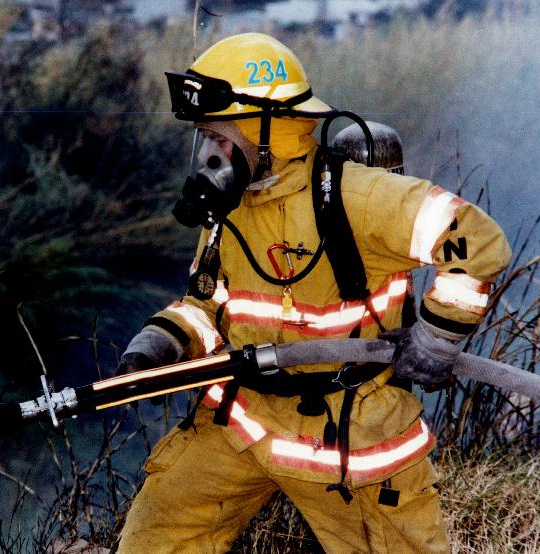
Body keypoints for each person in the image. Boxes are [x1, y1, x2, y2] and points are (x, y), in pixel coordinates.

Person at [116, 32, 511, 553]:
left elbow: (475, 239)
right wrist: (160, 342)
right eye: (203, 139)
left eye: (219, 136)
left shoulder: (357, 197)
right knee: (156, 536)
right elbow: (209, 302)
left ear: (268, 130)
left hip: (351, 435)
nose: (209, 155)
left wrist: (437, 337)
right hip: (245, 420)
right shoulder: (230, 209)